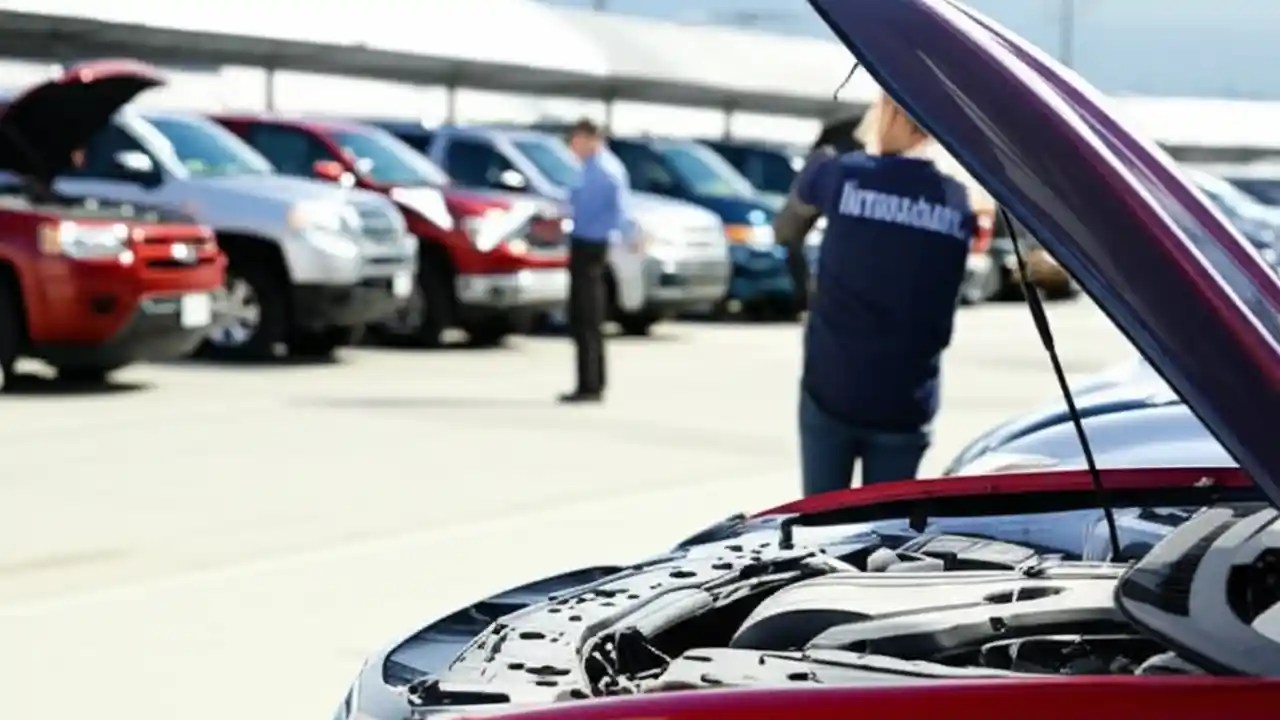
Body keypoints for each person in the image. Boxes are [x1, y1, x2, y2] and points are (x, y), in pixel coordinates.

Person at [774, 93, 978, 496]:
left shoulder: (842, 174)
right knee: (886, 533)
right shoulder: (955, 199)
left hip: (834, 383)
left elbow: (785, 231)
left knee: (820, 527)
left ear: (889, 114)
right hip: (907, 395)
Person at [560, 119, 632, 404]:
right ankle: (588, 381)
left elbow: (621, 208)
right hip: (583, 244)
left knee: (587, 317)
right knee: (582, 318)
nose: (572, 147)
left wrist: (632, 234)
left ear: (589, 138)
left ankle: (590, 385)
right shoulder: (592, 167)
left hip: (591, 247)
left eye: (575, 140)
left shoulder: (603, 170)